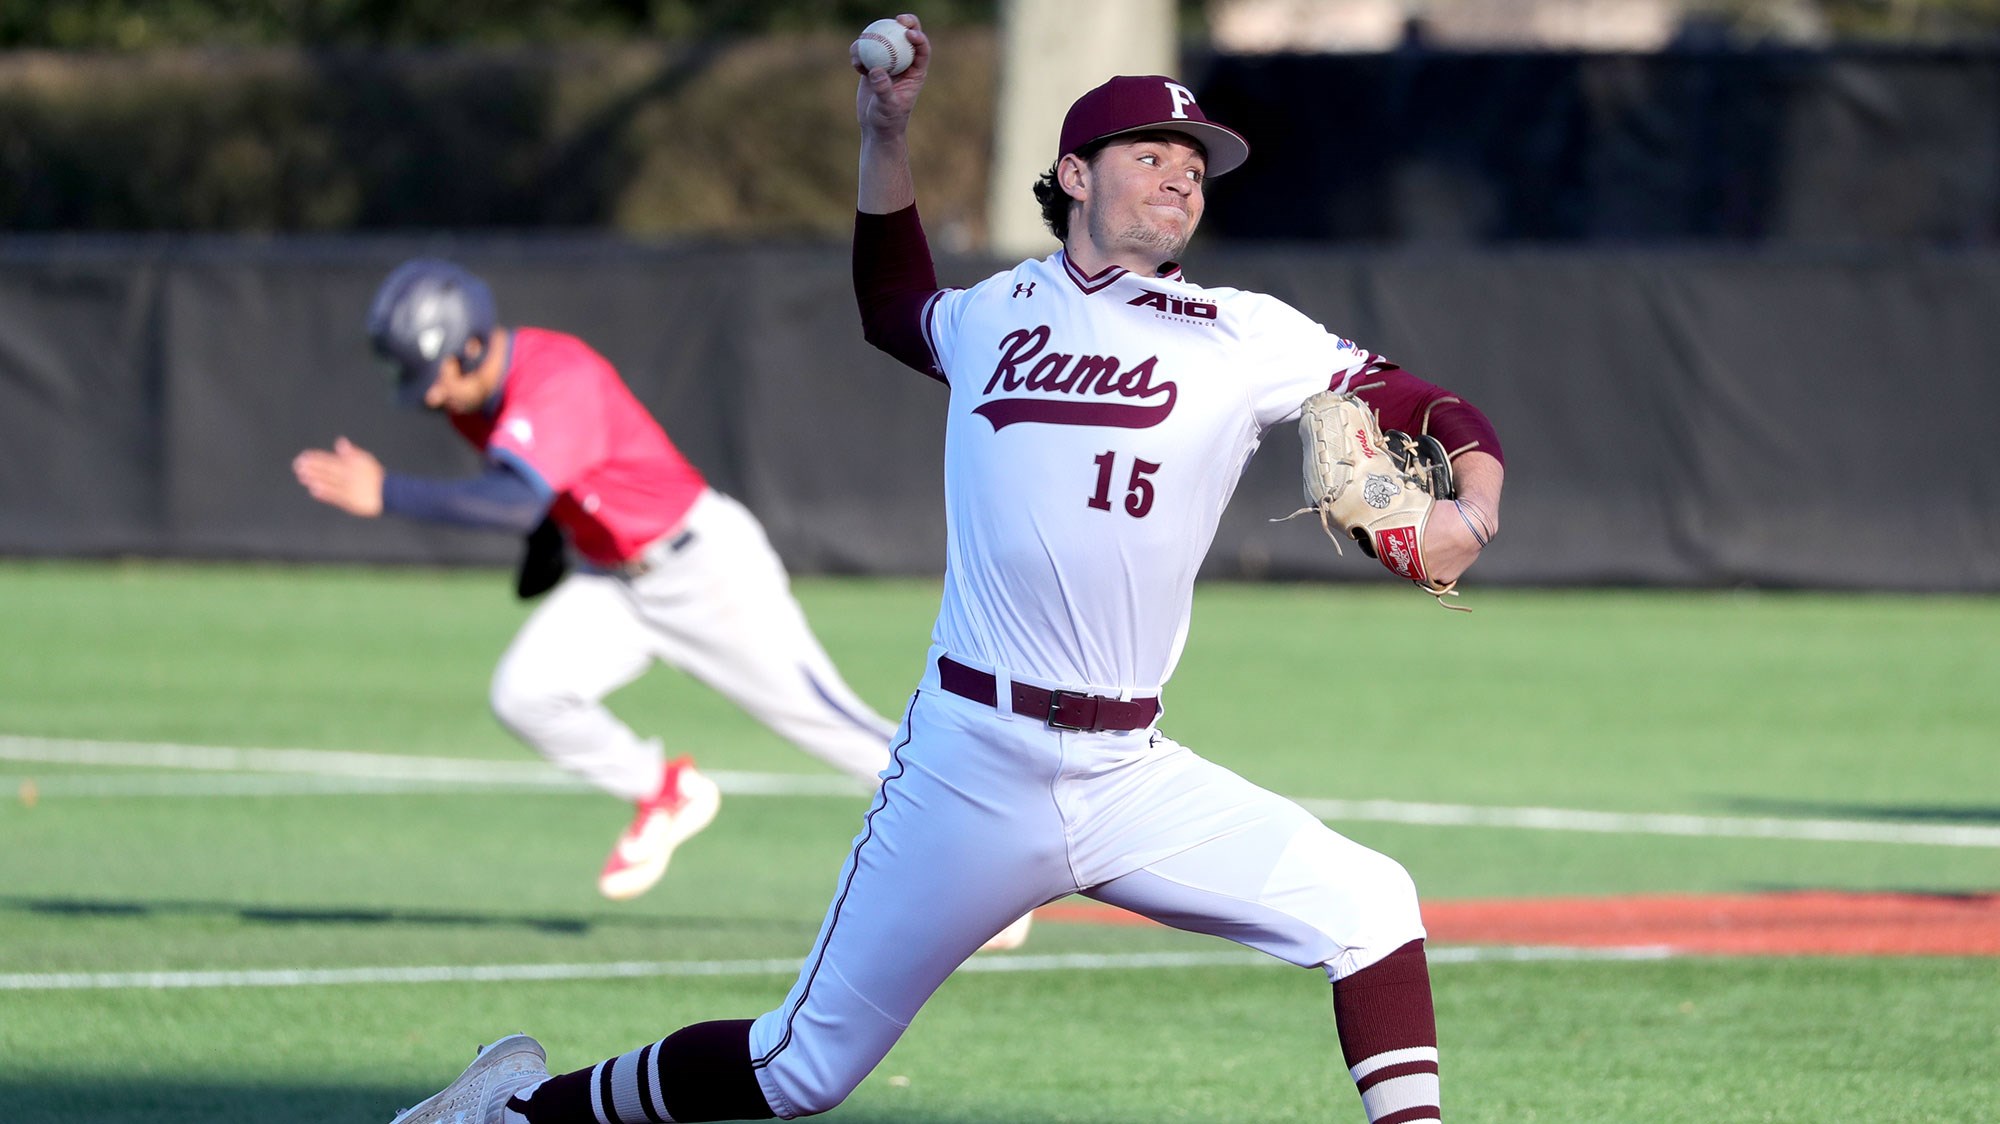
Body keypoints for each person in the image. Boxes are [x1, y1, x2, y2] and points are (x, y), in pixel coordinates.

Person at [388, 15, 1502, 1124]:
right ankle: (517, 1112)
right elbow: (887, 301)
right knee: (797, 1069)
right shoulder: (991, 314)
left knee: (1371, 903)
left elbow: (1429, 403)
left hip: (1127, 770)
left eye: (1194, 162)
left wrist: (1472, 506)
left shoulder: (1246, 333)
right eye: (1149, 155)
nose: (1181, 176)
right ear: (1074, 172)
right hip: (969, 761)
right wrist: (886, 129)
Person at [292, 259, 898, 903]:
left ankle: (990, 846)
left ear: (470, 347)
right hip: (616, 580)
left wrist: (387, 491)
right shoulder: (473, 400)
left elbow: (516, 500)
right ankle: (665, 791)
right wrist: (550, 538)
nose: (430, 397)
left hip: (704, 571)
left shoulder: (556, 375)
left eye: (432, 377)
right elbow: (553, 495)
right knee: (526, 694)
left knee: (831, 725)